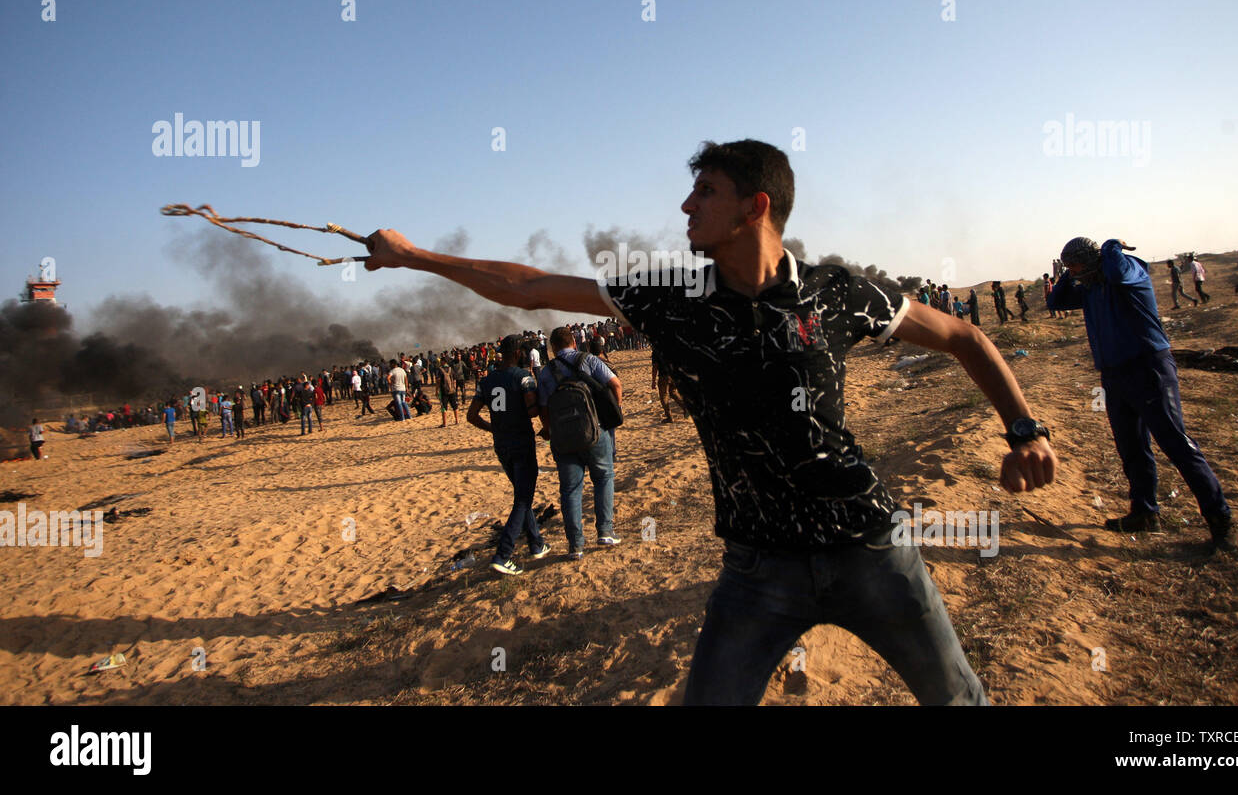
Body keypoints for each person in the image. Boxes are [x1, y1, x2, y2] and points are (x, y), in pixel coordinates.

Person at [362, 137, 1056, 706]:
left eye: (706, 193)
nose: (686, 205)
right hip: (756, 570)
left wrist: (1025, 430)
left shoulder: (836, 292)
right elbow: (528, 286)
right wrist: (413, 255)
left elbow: (963, 336)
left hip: (871, 549)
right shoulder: (672, 295)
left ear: (755, 207)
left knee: (958, 700)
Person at [1049, 238, 1234, 545]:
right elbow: (1056, 302)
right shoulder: (1092, 287)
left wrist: (1110, 246)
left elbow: (1119, 272)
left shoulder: (1129, 271)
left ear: (1092, 259)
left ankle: (1220, 519)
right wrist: (1069, 273)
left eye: (1077, 265)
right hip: (1114, 374)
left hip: (1148, 368)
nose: (1075, 272)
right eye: (1071, 267)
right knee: (1131, 447)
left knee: (1175, 443)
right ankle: (1144, 512)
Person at [467, 334, 550, 574]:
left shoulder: (487, 381)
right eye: (523, 351)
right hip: (521, 441)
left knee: (521, 494)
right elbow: (533, 412)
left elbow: (472, 416)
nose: (525, 354)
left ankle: (536, 543)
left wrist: (493, 427)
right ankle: (503, 554)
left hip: (501, 444)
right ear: (517, 353)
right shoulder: (523, 377)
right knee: (523, 499)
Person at [536, 327, 623, 557]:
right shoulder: (589, 360)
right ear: (574, 342)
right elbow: (616, 385)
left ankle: (575, 545)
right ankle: (605, 531)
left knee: (570, 490)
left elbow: (543, 409)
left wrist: (549, 431)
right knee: (604, 478)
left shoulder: (546, 372)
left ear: (553, 348)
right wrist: (613, 414)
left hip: (563, 437)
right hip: (595, 431)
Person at [651, 347, 689, 423]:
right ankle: (686, 408)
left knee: (664, 396)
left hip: (663, 376)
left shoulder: (656, 351)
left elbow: (655, 367)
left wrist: (653, 381)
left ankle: (669, 417)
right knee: (673, 393)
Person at [435, 359, 460, 427]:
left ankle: (445, 423)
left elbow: (438, 381)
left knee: (444, 407)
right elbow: (454, 380)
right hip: (452, 390)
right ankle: (457, 420)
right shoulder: (450, 369)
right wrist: (453, 388)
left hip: (444, 391)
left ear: (443, 362)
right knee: (454, 406)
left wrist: (437, 390)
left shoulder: (440, 370)